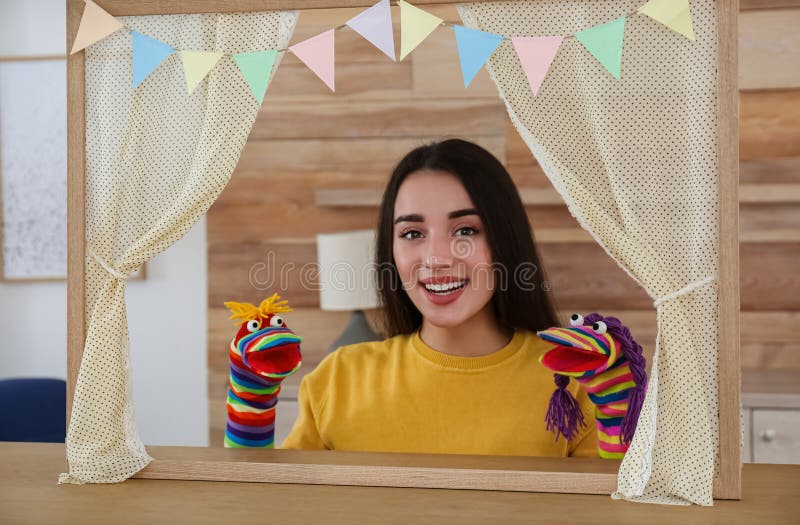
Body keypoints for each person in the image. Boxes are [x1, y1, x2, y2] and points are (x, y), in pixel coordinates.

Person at [281, 138, 598, 457]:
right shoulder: (336, 380)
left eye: (465, 230)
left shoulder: (577, 383)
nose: (436, 259)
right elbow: (280, 500)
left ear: (504, 239)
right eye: (413, 234)